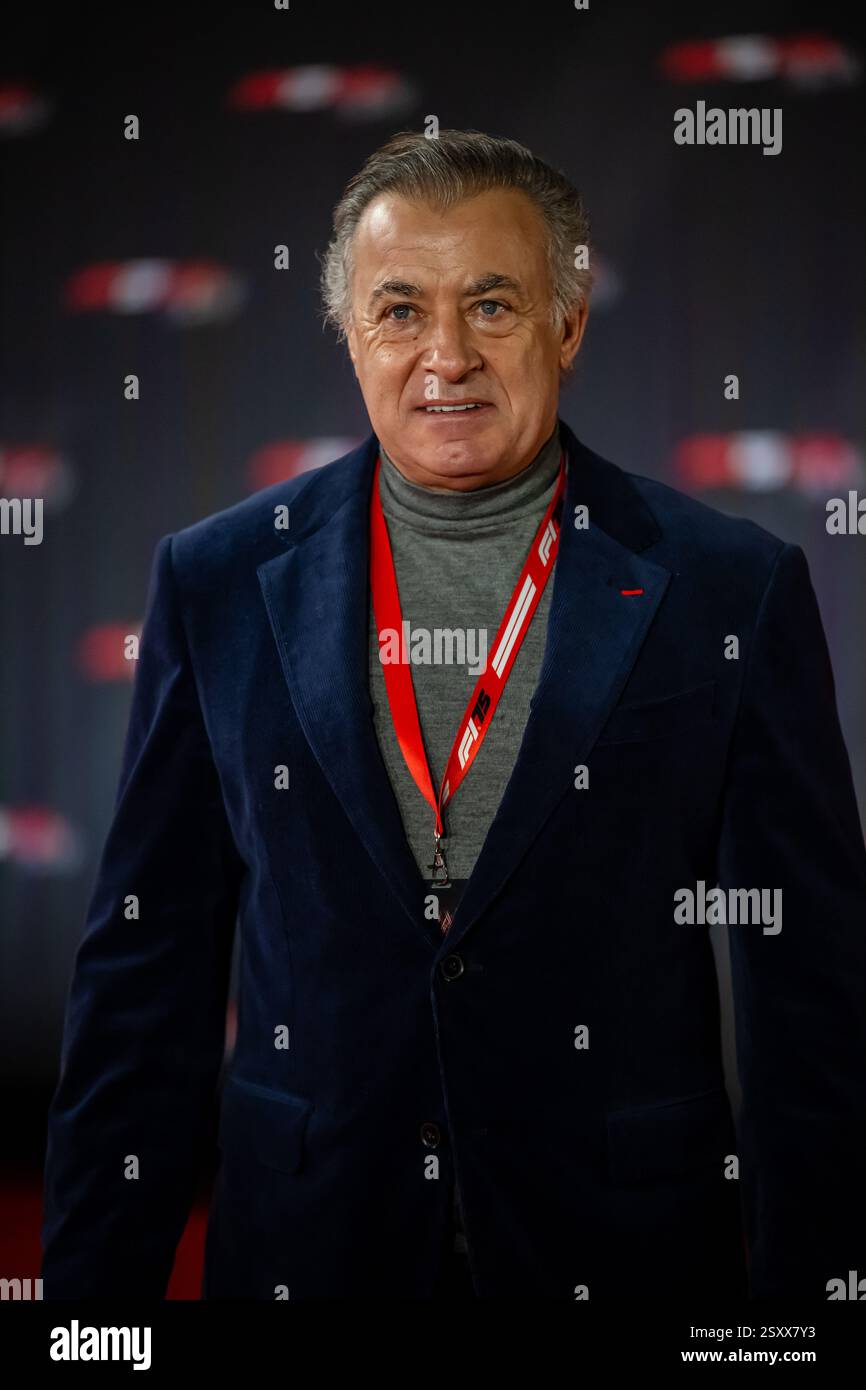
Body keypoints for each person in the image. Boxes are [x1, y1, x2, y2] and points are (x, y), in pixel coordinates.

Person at [41, 129, 866, 1300]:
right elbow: (145, 975)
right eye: (398, 309)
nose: (445, 355)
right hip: (311, 1248)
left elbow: (810, 1006)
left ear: (567, 323)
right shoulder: (216, 583)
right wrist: (85, 1322)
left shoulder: (730, 590)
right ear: (349, 335)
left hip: (624, 1258)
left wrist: (812, 1320)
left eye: (491, 304)